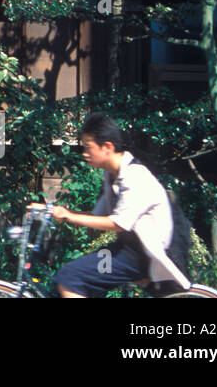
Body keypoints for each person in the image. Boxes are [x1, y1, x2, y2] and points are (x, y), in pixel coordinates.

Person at [48, 112, 191, 297]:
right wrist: (57, 211)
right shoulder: (111, 175)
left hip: (140, 257)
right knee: (76, 274)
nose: (84, 154)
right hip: (123, 250)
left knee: (70, 277)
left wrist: (69, 216)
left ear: (107, 147)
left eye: (88, 147)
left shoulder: (135, 177)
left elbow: (119, 223)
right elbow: (97, 217)